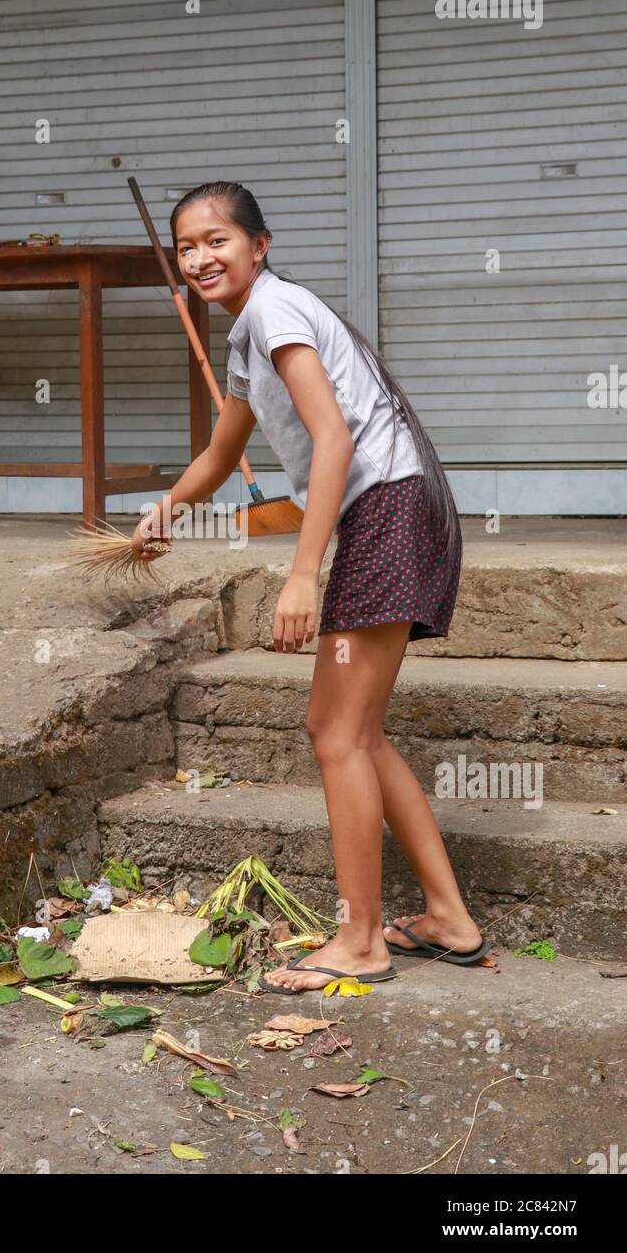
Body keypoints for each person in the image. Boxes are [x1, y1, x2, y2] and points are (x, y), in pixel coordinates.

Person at [130, 181, 490, 992]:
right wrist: (165, 515)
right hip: (398, 510)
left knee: (334, 731)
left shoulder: (275, 311)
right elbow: (222, 458)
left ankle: (362, 939)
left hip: (386, 512)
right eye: (186, 247)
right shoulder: (248, 339)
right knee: (353, 732)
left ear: (260, 244)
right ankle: (448, 919)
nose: (199, 258)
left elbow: (332, 439)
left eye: (217, 239)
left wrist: (302, 575)